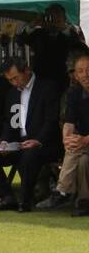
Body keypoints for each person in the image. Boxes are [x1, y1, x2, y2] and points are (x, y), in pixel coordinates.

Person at [0, 55, 62, 213]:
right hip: (20, 143)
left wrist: (38, 140)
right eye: (10, 80)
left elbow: (51, 120)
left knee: (29, 155)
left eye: (16, 78)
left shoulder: (47, 88)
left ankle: (25, 200)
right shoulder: (12, 93)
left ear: (26, 70)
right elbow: (11, 123)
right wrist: (4, 142)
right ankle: (5, 197)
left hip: (44, 144)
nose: (14, 83)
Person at [37, 50, 89, 216]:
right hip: (84, 145)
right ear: (75, 74)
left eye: (88, 70)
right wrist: (67, 139)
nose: (85, 75)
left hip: (86, 141)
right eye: (80, 71)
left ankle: (62, 192)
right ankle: (83, 201)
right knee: (82, 159)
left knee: (78, 148)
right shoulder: (75, 93)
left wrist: (84, 140)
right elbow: (69, 122)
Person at [20, 4, 86, 85]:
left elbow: (78, 47)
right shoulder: (39, 33)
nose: (53, 21)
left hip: (62, 79)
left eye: (57, 17)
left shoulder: (70, 34)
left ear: (64, 18)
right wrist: (33, 24)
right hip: (41, 79)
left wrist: (63, 28)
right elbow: (22, 40)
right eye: (50, 17)